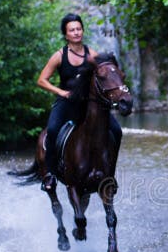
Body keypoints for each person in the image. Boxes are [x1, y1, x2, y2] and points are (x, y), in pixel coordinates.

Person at [37, 13, 123, 191]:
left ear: (82, 31)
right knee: (52, 130)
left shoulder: (92, 55)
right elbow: (41, 80)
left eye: (78, 29)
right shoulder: (59, 56)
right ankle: (50, 174)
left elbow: (105, 76)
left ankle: (110, 176)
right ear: (66, 34)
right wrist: (61, 92)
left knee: (116, 130)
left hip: (88, 104)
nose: (76, 33)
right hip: (66, 103)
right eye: (72, 30)